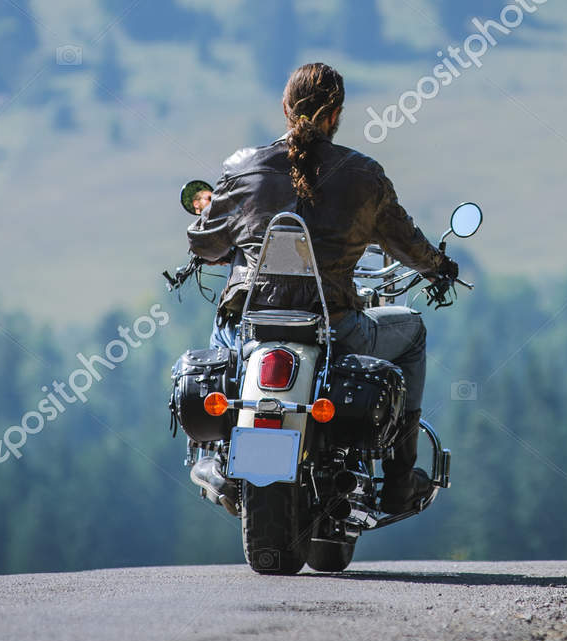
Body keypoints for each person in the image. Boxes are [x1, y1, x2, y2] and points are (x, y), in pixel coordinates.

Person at [186, 61, 458, 512]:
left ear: (286, 108)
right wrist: (438, 267)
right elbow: (406, 241)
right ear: (336, 115)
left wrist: (216, 215)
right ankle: (397, 478)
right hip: (336, 327)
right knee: (412, 331)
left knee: (222, 340)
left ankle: (215, 455)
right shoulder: (364, 175)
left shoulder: (242, 167)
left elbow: (205, 242)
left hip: (253, 329)